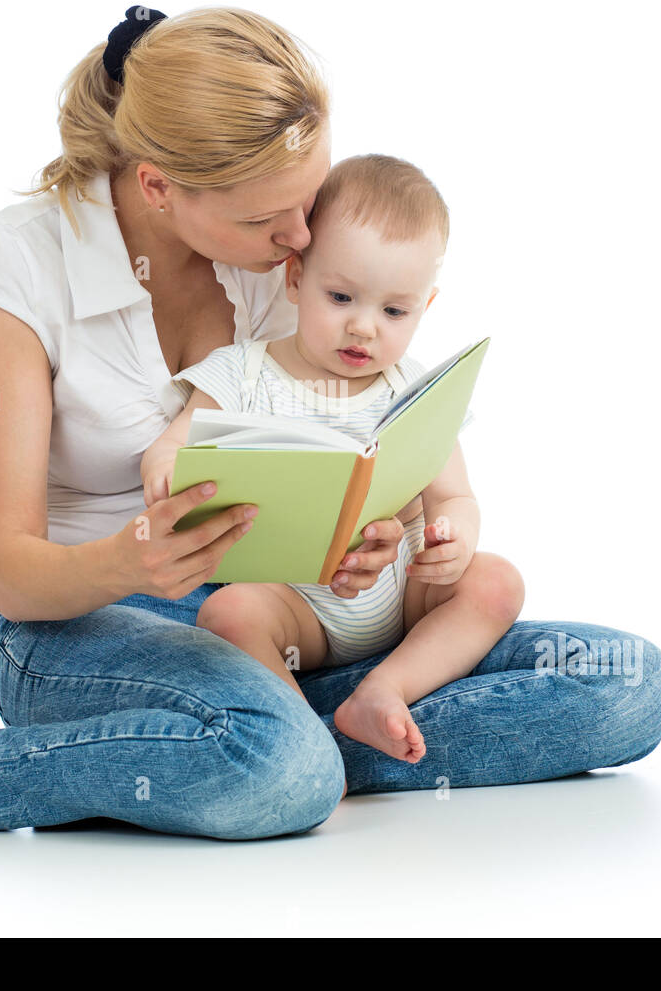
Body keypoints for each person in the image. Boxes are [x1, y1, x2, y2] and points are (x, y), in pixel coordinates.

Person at [0, 4, 661, 839]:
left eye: (308, 200)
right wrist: (130, 559)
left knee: (627, 684)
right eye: (267, 217)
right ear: (161, 188)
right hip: (89, 625)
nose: (300, 237)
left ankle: (275, 736)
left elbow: (346, 427)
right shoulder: (20, 268)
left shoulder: (285, 255)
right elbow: (12, 575)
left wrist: (379, 533)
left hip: (286, 620)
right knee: (282, 770)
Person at [143, 154, 525, 766]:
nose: (363, 328)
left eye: (394, 311)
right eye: (341, 296)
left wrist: (454, 534)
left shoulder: (415, 390)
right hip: (299, 609)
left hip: (403, 596)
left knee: (497, 583)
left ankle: (384, 691)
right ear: (294, 278)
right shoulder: (244, 371)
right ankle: (306, 744)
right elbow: (177, 440)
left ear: (425, 306)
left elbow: (453, 496)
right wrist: (165, 464)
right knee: (228, 611)